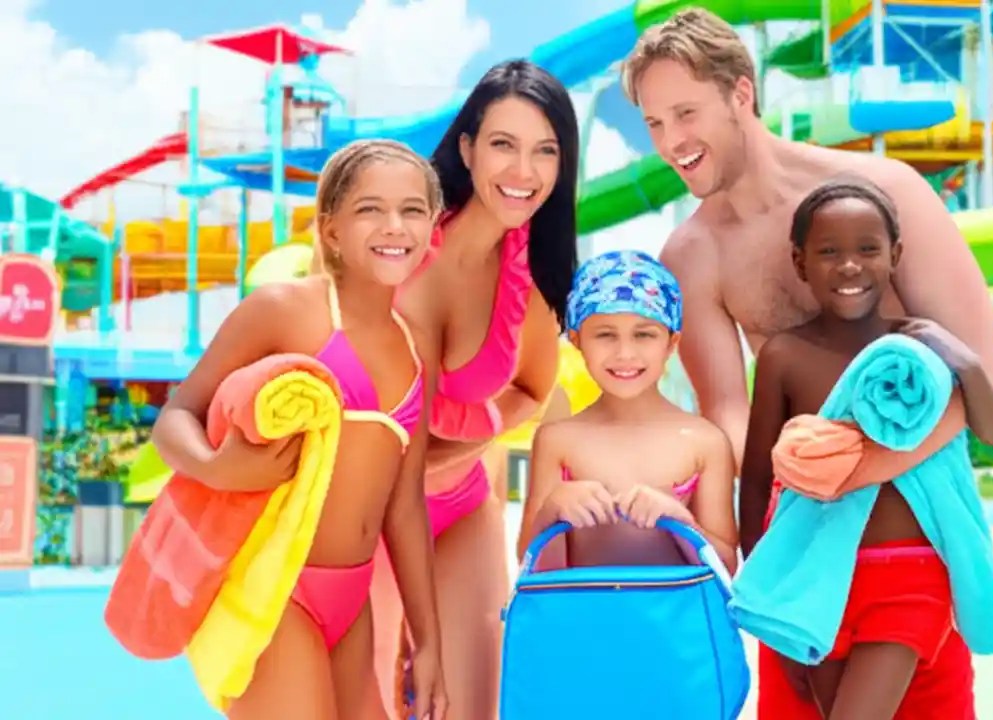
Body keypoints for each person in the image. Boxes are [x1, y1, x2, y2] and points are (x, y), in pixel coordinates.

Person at [619, 6, 993, 545]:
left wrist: (860, 465)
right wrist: (793, 474)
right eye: (655, 124)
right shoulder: (692, 256)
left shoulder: (887, 191)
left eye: (686, 113)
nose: (670, 143)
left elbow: (986, 364)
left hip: (922, 524)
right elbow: (729, 417)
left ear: (741, 94)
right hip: (806, 524)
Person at [150, 139, 447, 720]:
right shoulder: (283, 309)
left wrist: (427, 637)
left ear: (432, 227)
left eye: (413, 209)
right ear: (331, 229)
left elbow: (404, 504)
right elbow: (176, 416)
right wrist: (216, 467)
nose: (395, 225)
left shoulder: (417, 343)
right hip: (275, 589)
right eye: (370, 209)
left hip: (352, 597)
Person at [742, 179, 993, 718]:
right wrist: (776, 594)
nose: (849, 266)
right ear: (800, 262)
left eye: (868, 249)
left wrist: (962, 358)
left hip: (910, 579)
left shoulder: (918, 353)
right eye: (828, 252)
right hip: (818, 575)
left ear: (895, 256)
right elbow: (756, 479)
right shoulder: (785, 355)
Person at [372, 58, 579, 719]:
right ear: (465, 148)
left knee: (472, 705)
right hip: (361, 513)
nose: (524, 172)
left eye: (545, 151)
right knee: (372, 698)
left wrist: (466, 440)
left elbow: (533, 386)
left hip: (459, 505)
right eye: (503, 145)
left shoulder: (532, 269)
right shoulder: (395, 244)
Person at [516, 250, 738, 573]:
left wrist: (680, 520)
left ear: (671, 343)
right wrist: (553, 510)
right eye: (605, 335)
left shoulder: (705, 442)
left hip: (676, 622)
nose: (624, 353)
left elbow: (727, 566)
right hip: (582, 619)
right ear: (577, 340)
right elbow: (531, 566)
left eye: (644, 334)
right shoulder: (557, 441)